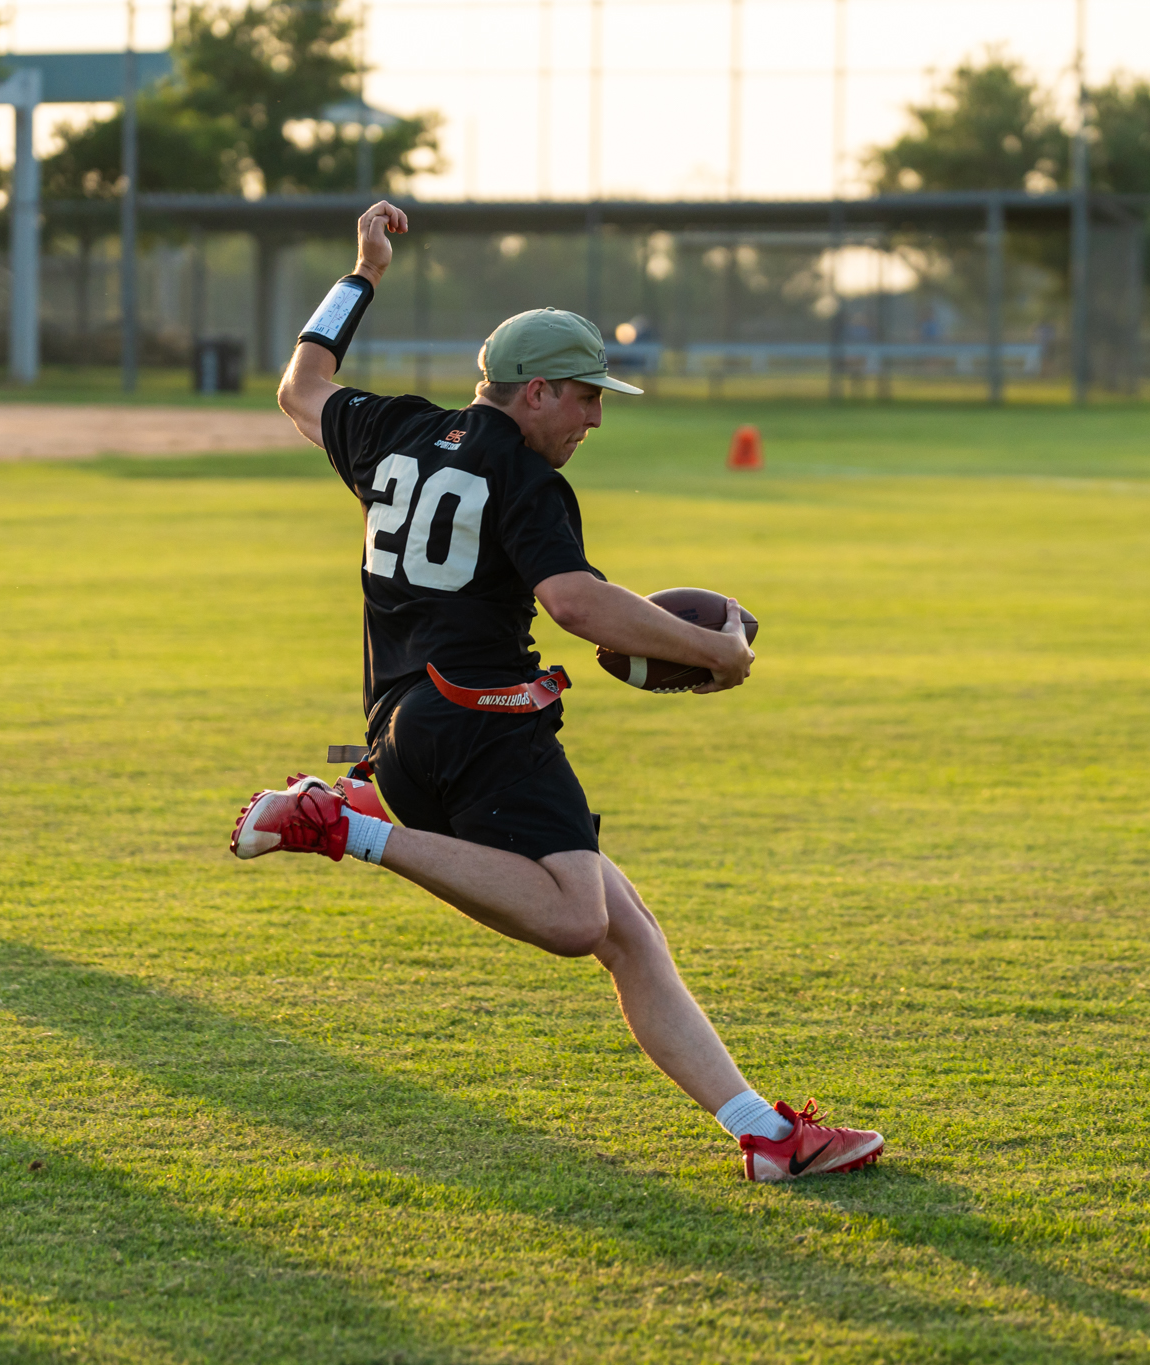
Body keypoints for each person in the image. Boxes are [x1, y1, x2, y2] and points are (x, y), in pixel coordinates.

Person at [233, 201, 885, 1184]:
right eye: (585, 398)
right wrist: (713, 652)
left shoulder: (396, 432)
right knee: (579, 920)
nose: (592, 419)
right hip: (480, 719)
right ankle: (338, 823)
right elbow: (576, 604)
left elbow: (300, 383)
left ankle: (764, 1136)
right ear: (534, 392)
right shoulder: (526, 478)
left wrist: (363, 271)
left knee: (628, 931)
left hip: (409, 726)